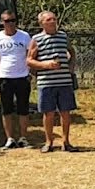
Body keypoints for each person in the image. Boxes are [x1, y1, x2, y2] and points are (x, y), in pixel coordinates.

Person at [27, 10, 77, 153]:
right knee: (48, 113)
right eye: (49, 19)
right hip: (46, 82)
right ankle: (49, 142)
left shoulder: (63, 36)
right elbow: (29, 60)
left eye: (54, 18)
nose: (53, 21)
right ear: (42, 23)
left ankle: (66, 142)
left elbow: (72, 52)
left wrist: (71, 68)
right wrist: (46, 65)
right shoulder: (37, 39)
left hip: (64, 81)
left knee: (65, 112)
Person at [0, 9, 33, 148]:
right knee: (6, 109)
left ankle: (23, 138)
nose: (11, 23)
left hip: (22, 77)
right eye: (8, 21)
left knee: (23, 108)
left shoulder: (24, 36)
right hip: (5, 77)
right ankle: (9, 139)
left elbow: (30, 56)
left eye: (13, 20)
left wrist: (30, 73)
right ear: (2, 22)